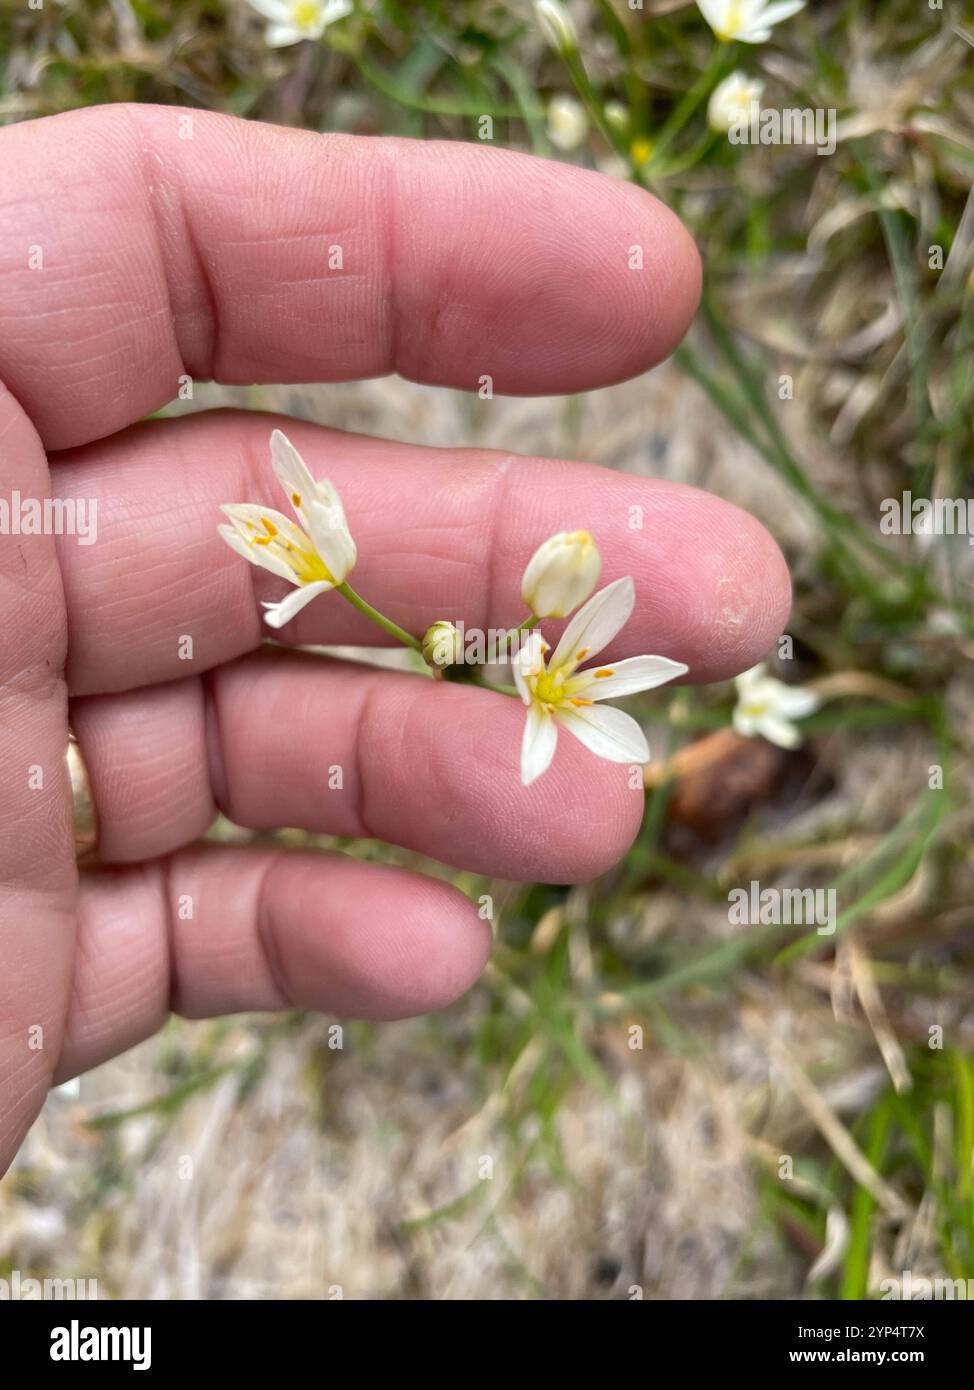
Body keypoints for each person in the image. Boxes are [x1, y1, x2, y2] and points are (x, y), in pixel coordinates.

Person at [0, 105, 791, 1176]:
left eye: (560, 677)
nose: (554, 677)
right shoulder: (364, 596)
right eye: (556, 673)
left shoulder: (532, 659)